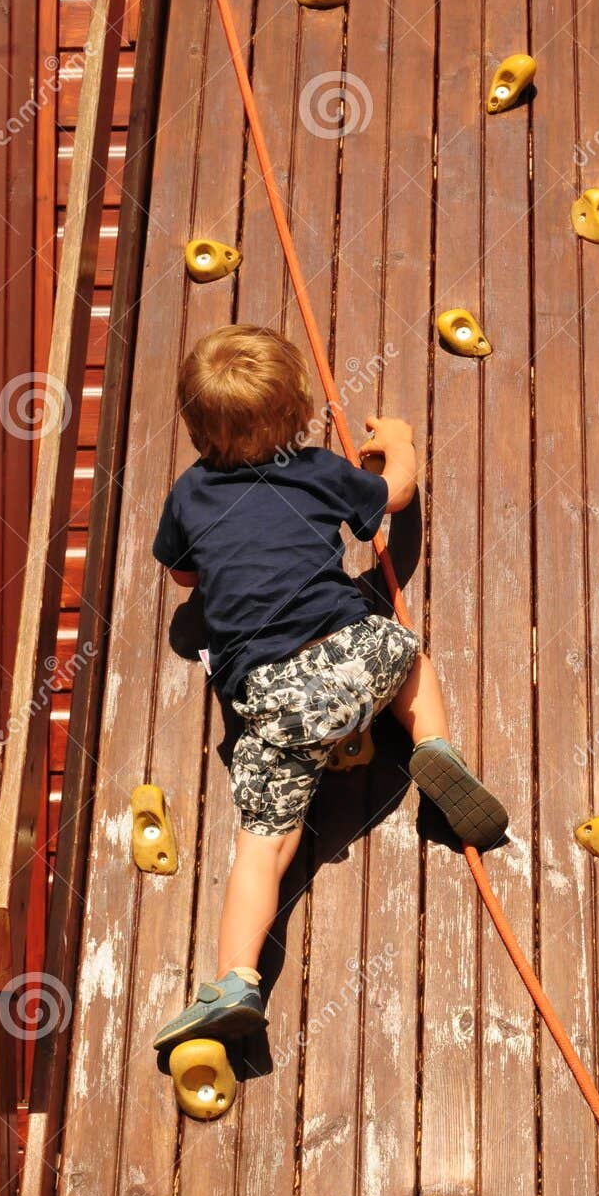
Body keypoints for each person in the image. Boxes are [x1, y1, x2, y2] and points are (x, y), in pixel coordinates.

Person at [150, 324, 508, 1050]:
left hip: (271, 702)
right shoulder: (316, 470)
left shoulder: (189, 495)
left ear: (195, 427)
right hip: (350, 654)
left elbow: (183, 575)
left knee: (264, 844)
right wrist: (397, 438)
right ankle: (434, 748)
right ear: (296, 413)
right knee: (406, 655)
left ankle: (233, 982)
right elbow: (395, 493)